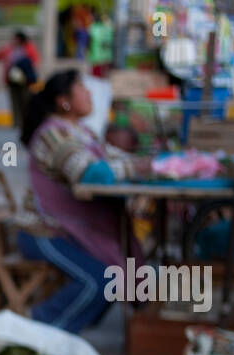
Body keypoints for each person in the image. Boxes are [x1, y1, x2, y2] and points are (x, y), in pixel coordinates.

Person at [17, 70, 152, 334]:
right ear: (63, 100)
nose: (89, 93)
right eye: (82, 88)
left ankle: (73, 325)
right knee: (100, 280)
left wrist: (151, 164)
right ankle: (36, 329)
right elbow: (90, 172)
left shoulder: (84, 133)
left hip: (69, 231)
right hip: (45, 232)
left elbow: (116, 159)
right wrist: (142, 166)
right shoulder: (53, 135)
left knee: (115, 273)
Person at [0, 30, 39, 130]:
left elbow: (34, 62)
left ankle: (26, 122)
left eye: (15, 39)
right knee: (14, 102)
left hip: (24, 81)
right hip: (12, 80)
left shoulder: (29, 48)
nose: (13, 40)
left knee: (25, 102)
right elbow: (1, 57)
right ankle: (17, 123)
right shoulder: (10, 49)